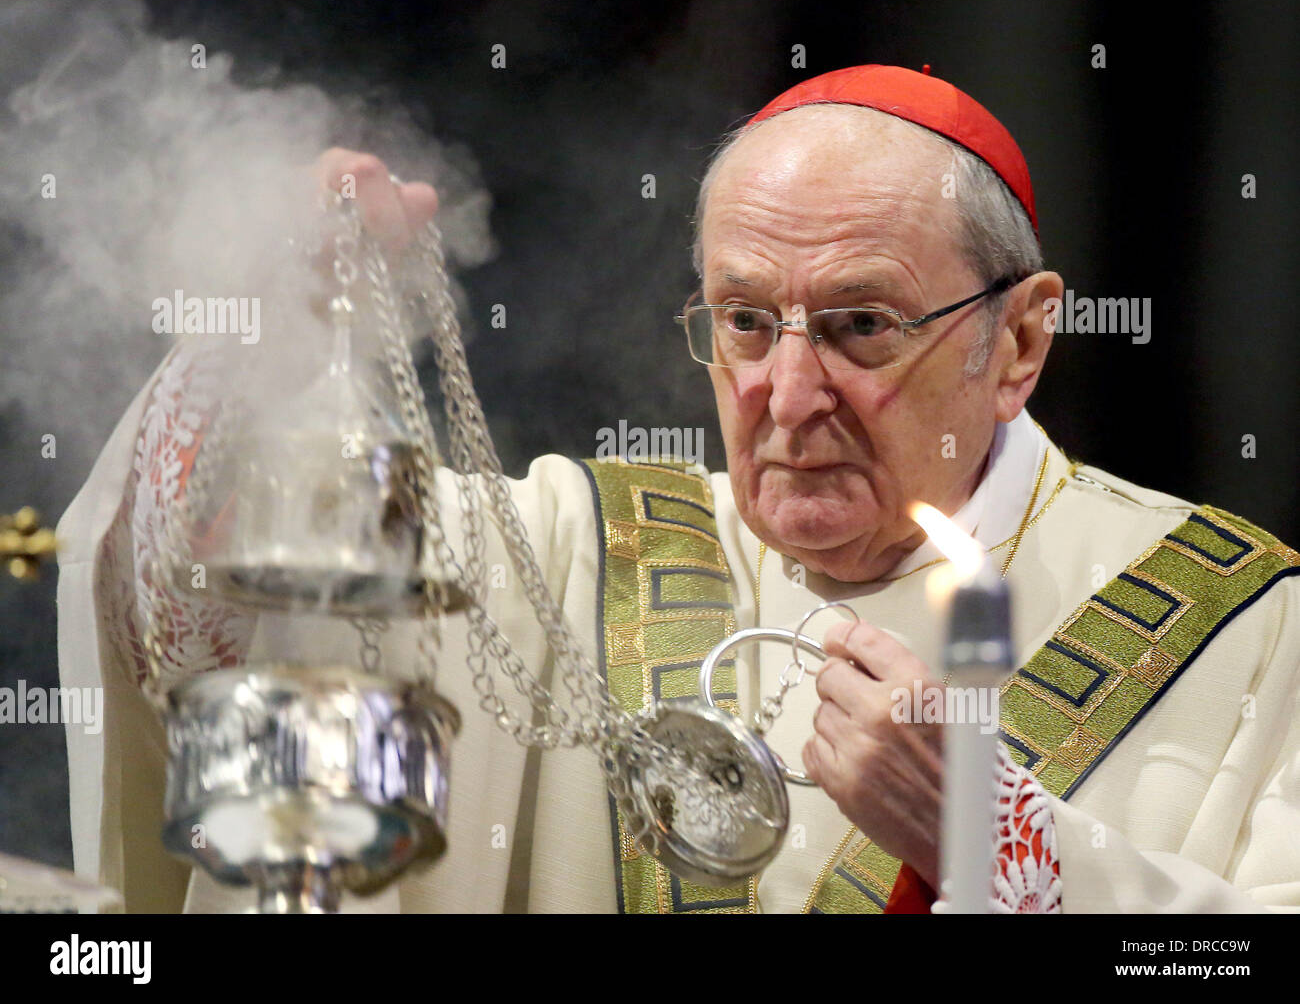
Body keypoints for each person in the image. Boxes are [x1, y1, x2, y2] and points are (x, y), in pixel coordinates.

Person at [57, 65, 1300, 914]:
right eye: (746, 323)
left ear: (1017, 342)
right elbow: (197, 603)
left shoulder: (1245, 626)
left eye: (861, 324)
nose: (789, 391)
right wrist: (265, 324)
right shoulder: (553, 560)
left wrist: (998, 841)